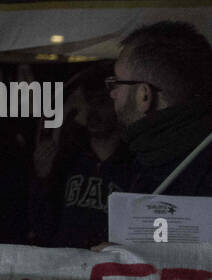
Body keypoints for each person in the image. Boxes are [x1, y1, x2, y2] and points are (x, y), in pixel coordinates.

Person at [29, 62, 133, 248]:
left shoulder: (135, 167)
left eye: (102, 102)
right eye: (90, 101)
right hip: (67, 266)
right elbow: (42, 226)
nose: (93, 110)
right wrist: (42, 178)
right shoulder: (68, 159)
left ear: (118, 107)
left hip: (110, 269)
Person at [110, 21, 212, 196]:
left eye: (117, 83)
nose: (112, 94)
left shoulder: (194, 171)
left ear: (144, 96)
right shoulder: (148, 159)